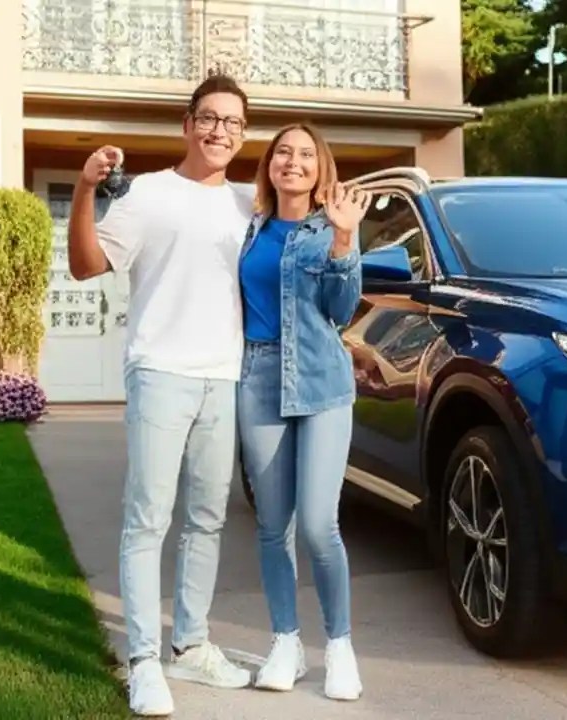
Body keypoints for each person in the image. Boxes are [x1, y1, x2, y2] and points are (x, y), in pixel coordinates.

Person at [66, 74, 256, 717]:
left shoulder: (246, 203)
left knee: (208, 518)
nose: (220, 130)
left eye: (233, 122)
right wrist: (86, 189)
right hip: (160, 371)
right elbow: (86, 265)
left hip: (222, 376)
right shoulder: (147, 194)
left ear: (242, 133)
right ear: (187, 123)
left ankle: (191, 645)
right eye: (209, 118)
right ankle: (145, 659)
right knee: (149, 517)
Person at [235, 123, 370, 701]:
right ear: (269, 165)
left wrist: (343, 245)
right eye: (283, 153)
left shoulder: (333, 228)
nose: (293, 161)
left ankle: (339, 646)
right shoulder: (249, 226)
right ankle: (285, 641)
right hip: (259, 378)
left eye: (305, 155)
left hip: (320, 381)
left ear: (321, 170)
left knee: (318, 524)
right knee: (272, 527)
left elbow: (341, 312)